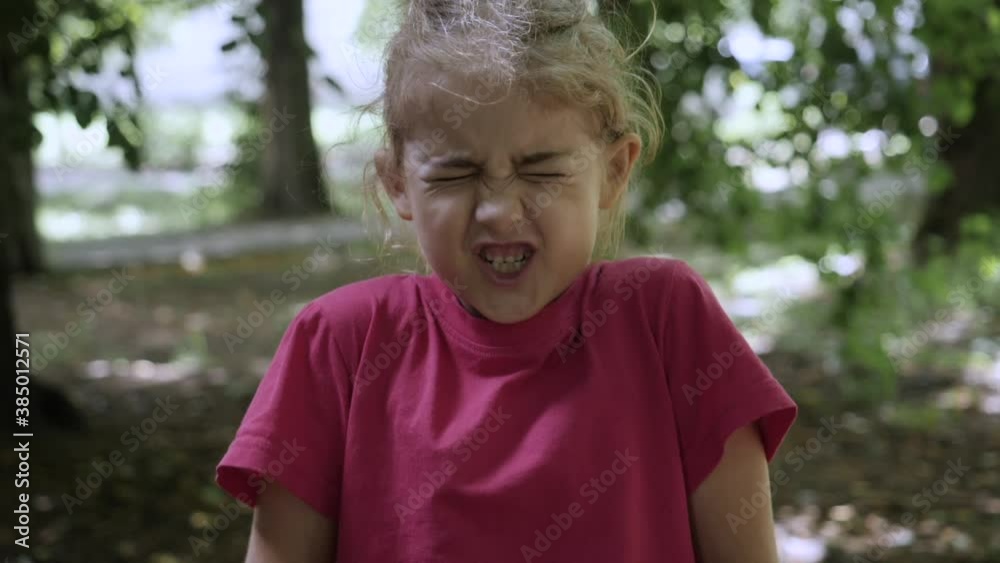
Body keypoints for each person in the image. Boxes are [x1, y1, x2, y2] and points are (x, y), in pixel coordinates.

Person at [216, 1, 798, 561]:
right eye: (456, 173)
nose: (499, 211)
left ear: (614, 170)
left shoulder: (667, 323)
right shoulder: (338, 345)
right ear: (398, 183)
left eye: (541, 171)